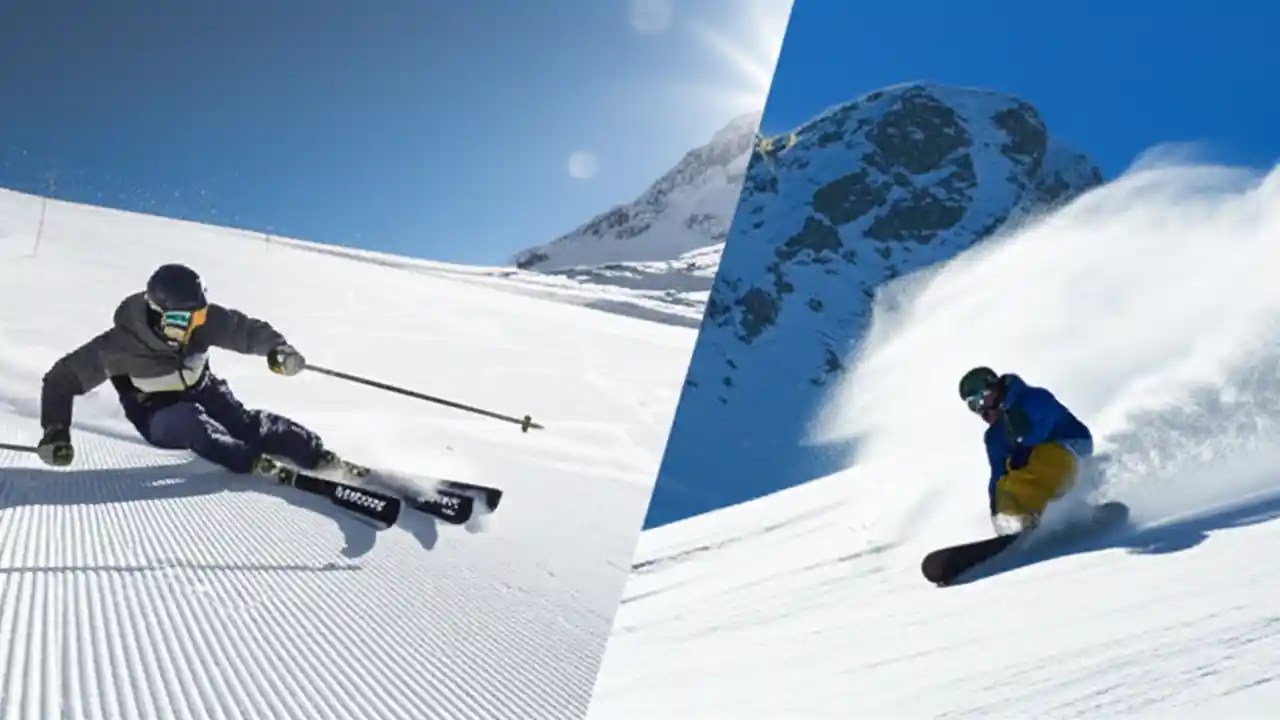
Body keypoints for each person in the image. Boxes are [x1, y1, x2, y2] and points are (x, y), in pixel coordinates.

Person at [36, 263, 339, 481]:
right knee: (192, 422)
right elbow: (62, 379)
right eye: (182, 320)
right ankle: (250, 461)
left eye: (198, 317)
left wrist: (277, 349)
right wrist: (55, 430)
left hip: (203, 387)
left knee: (244, 423)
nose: (192, 327)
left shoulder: (198, 323)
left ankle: (314, 453)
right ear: (157, 315)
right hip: (156, 414)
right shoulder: (118, 346)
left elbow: (243, 331)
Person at [958, 366, 1094, 535]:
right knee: (1005, 484)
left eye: (980, 400)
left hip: (1071, 449)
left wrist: (1024, 443)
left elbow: (1042, 426)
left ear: (996, 388)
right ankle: (1016, 524)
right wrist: (996, 508)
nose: (981, 410)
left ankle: (1057, 510)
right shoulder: (994, 436)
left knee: (1036, 458)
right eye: (973, 406)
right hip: (1035, 466)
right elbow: (998, 473)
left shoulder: (1032, 398)